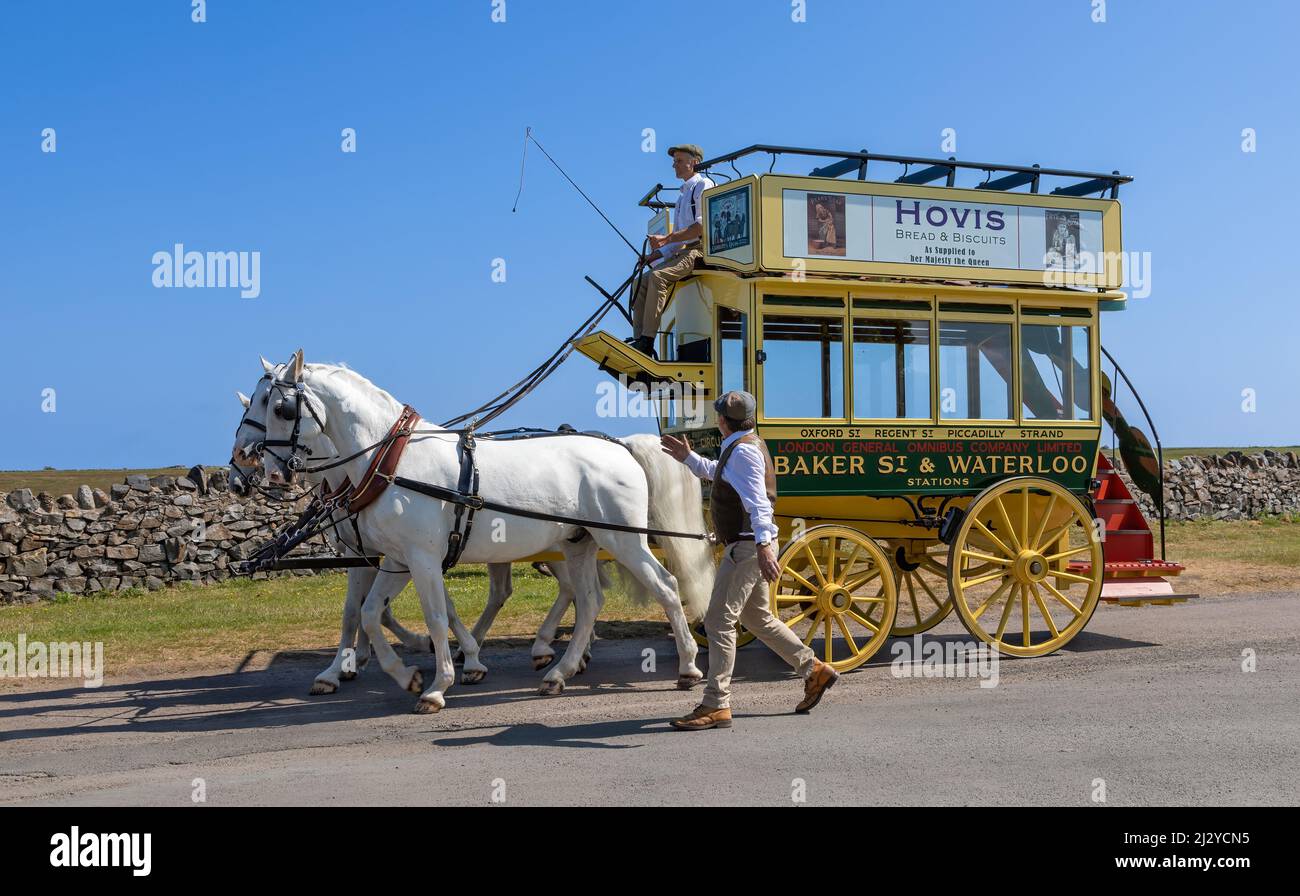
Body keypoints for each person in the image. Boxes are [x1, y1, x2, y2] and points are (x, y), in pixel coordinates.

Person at [661, 390, 840, 731]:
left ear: (723, 421)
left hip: (746, 549)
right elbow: (721, 473)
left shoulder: (743, 452)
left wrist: (763, 546)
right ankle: (814, 669)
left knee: (718, 621)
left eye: (717, 416)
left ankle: (716, 703)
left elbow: (759, 504)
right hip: (747, 545)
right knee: (758, 618)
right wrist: (690, 458)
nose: (716, 420)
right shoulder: (743, 445)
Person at [626, 144, 714, 358]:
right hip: (685, 251)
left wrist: (666, 238)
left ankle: (647, 341)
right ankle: (639, 338)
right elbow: (677, 241)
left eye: (679, 161)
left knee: (658, 277)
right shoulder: (683, 194)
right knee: (639, 281)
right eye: (674, 161)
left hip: (700, 250)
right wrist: (655, 254)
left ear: (694, 162)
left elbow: (700, 228)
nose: (674, 165)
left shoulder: (704, 185)